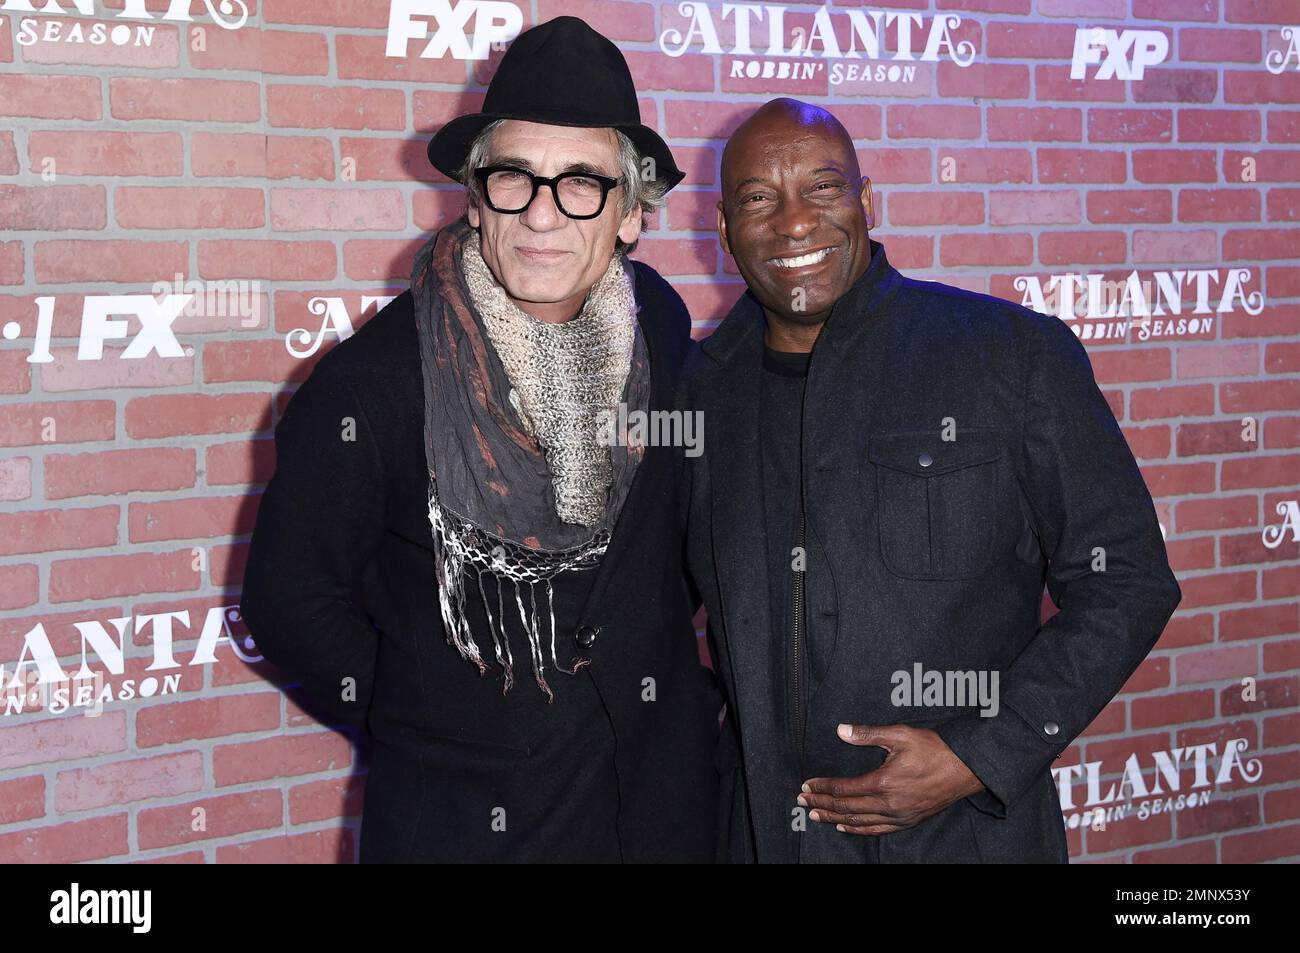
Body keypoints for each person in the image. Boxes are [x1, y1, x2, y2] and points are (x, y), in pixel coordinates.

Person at [241, 17, 720, 863]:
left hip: (662, 810)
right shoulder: (373, 383)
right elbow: (289, 604)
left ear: (631, 217)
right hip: (466, 826)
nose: (541, 213)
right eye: (514, 178)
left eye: (582, 183)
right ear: (474, 196)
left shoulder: (666, 333)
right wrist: (433, 707)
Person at [680, 97, 1182, 863]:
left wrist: (980, 752)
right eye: (757, 198)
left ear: (867, 202)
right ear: (723, 228)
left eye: (822, 187)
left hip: (967, 842)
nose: (793, 222)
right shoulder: (696, 393)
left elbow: (1130, 580)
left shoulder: (1007, 355)